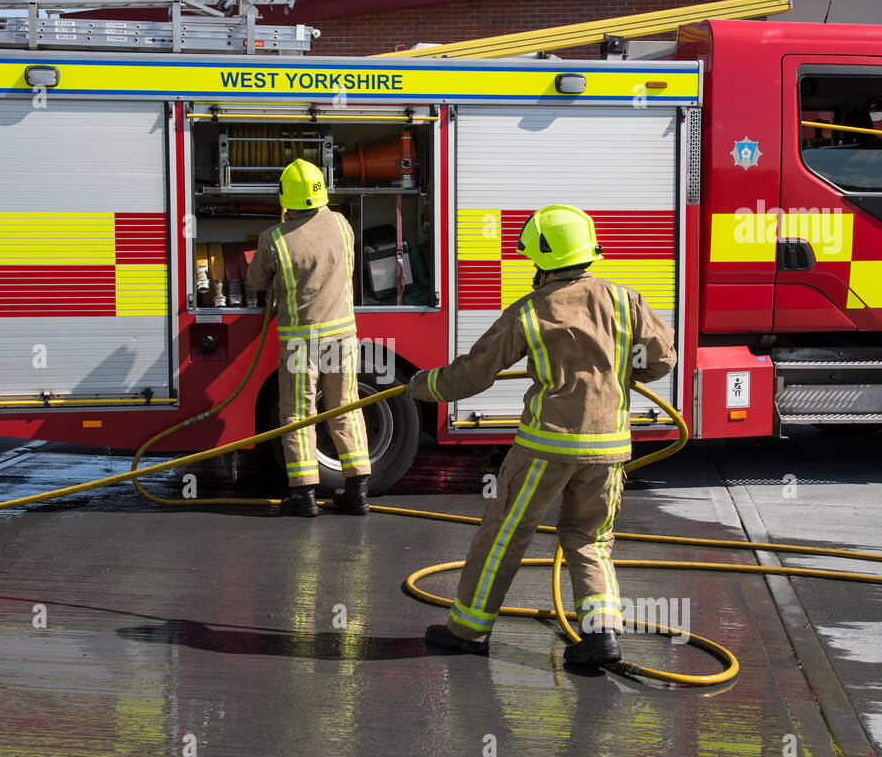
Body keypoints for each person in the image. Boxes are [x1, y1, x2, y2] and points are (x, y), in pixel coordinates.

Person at [408, 205, 676, 663]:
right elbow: (663, 360)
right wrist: (617, 375)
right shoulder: (625, 300)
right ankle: (600, 637)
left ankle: (469, 631)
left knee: (504, 534)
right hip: (609, 447)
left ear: (542, 258)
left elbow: (473, 375)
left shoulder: (529, 311)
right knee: (591, 541)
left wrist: (419, 385)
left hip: (544, 447)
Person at [247, 159, 371, 518]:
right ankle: (358, 491)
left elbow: (257, 281)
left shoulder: (274, 240)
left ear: (286, 198)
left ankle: (303, 495)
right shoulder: (342, 224)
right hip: (343, 337)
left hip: (302, 343)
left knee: (298, 415)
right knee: (345, 409)